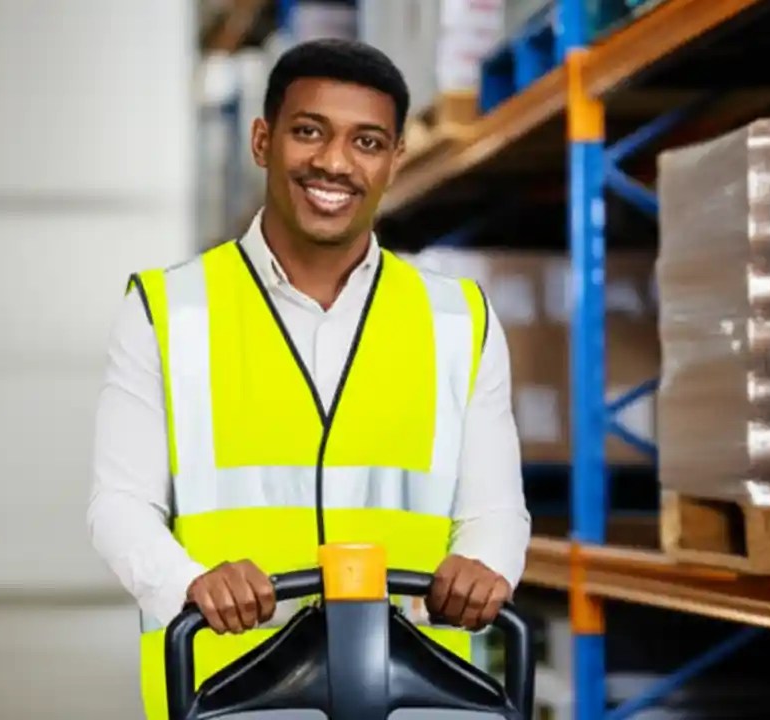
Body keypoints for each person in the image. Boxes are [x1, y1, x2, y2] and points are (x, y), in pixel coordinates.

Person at [87, 37, 530, 720]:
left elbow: (494, 510)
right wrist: (192, 583)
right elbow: (119, 507)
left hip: (413, 694)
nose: (334, 163)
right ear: (263, 140)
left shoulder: (458, 319)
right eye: (309, 132)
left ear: (394, 160)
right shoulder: (165, 311)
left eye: (368, 142)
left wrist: (484, 564)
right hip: (227, 691)